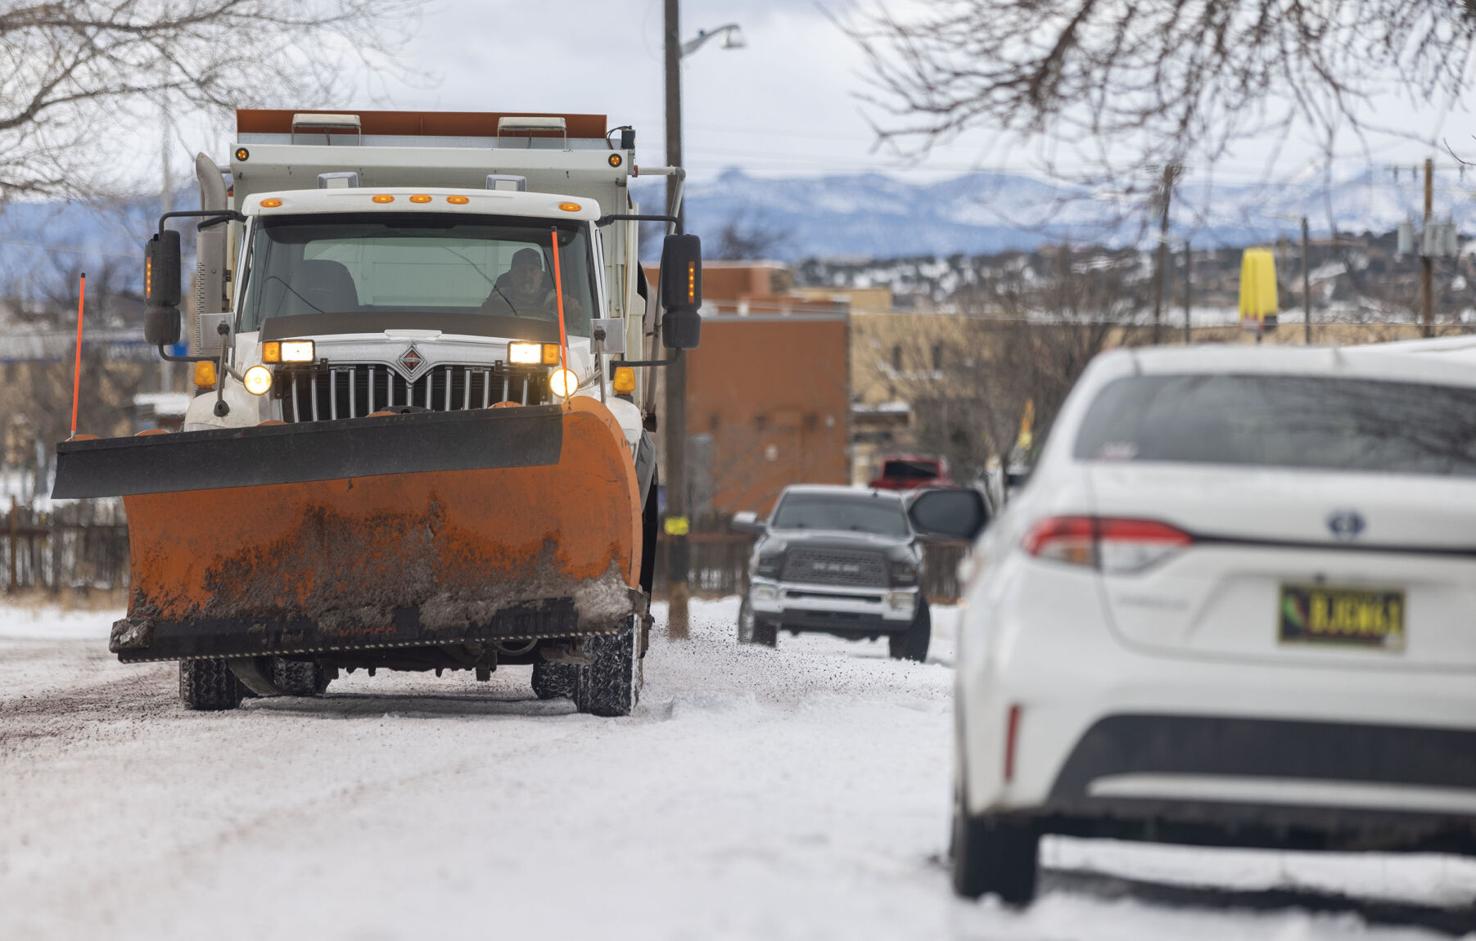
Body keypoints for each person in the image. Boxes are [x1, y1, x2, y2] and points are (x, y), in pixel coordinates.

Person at [483, 247, 559, 316]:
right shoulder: (493, 305)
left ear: (542, 276)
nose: (526, 275)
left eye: (532, 270)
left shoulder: (561, 305)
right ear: (511, 275)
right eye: (520, 270)